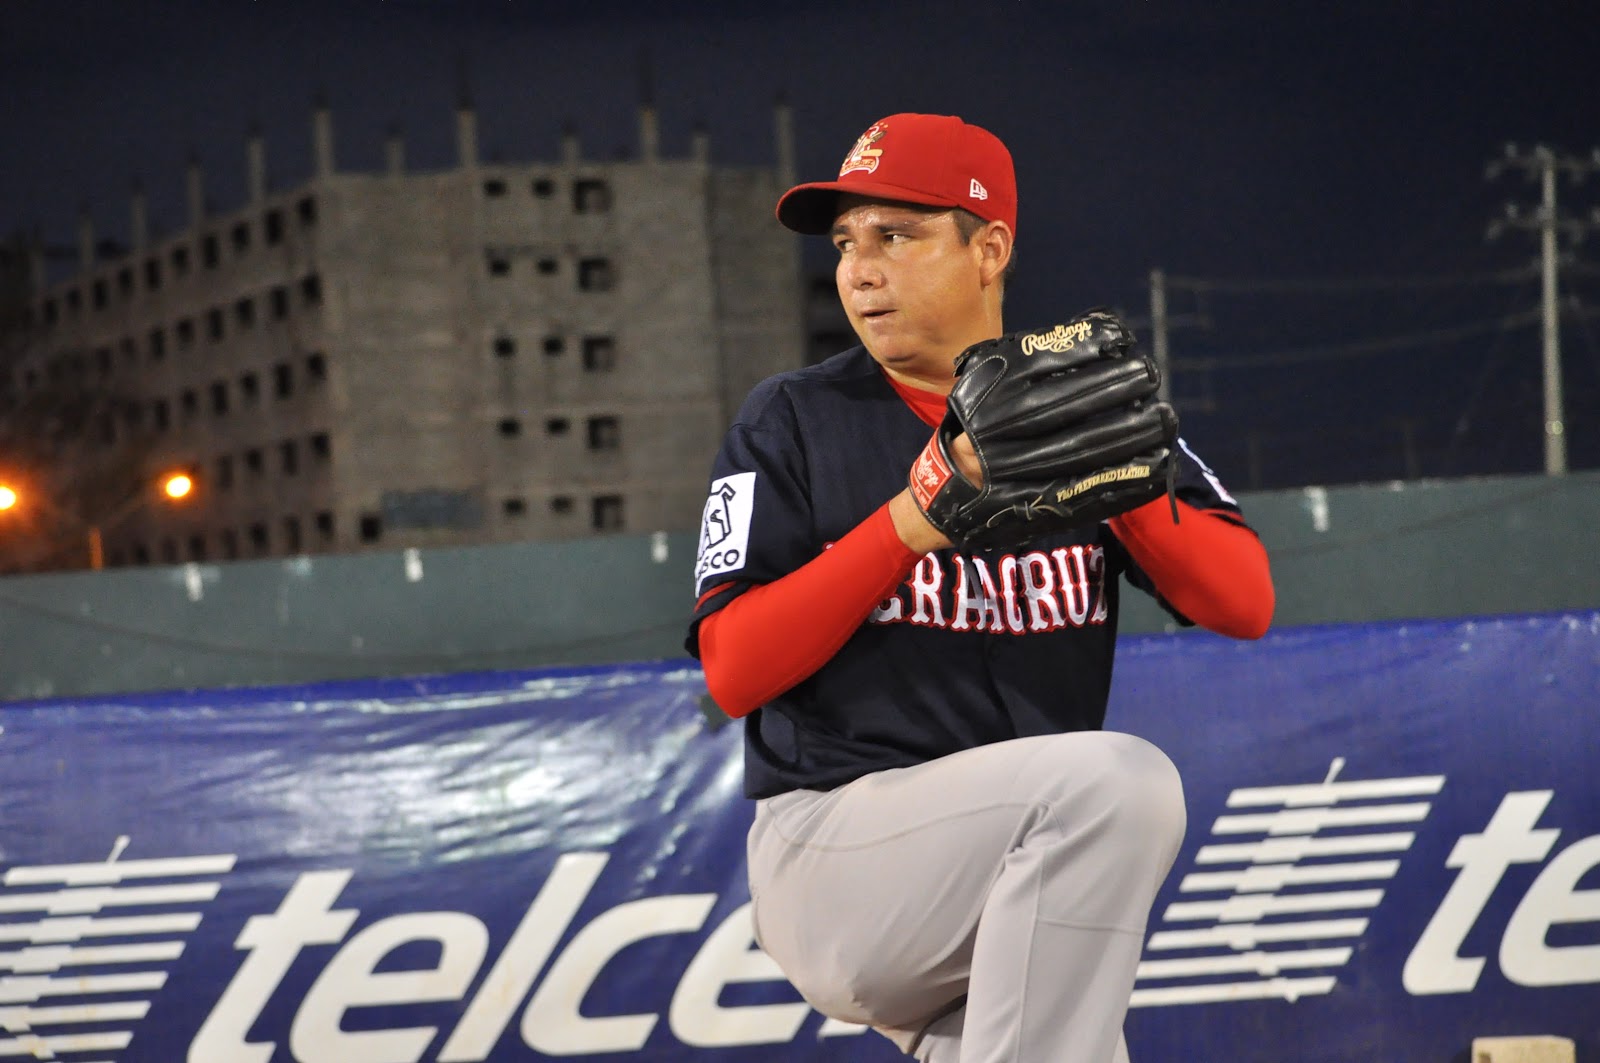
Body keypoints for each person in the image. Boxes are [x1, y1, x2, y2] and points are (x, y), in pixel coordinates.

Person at [686, 112, 1274, 1063]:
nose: (858, 269)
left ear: (989, 246)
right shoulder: (795, 418)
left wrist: (1120, 485)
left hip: (1017, 866)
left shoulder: (1082, 400)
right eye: (845, 243)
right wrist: (910, 520)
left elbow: (1243, 601)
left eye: (897, 234)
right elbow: (732, 668)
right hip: (840, 848)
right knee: (1118, 784)